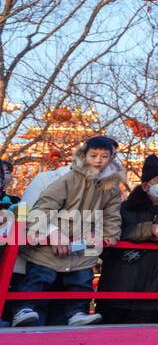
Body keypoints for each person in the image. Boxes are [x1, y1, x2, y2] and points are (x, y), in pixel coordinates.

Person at [11, 136, 123, 328]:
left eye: (104, 156)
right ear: (84, 155)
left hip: (83, 242)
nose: (98, 160)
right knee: (39, 275)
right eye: (93, 155)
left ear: (112, 158)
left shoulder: (111, 188)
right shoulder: (68, 179)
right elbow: (42, 206)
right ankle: (24, 308)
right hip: (54, 239)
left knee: (82, 280)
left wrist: (108, 235)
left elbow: (112, 215)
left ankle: (77, 312)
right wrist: (51, 231)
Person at [98, 155, 158, 325]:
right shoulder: (125, 209)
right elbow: (112, 232)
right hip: (119, 288)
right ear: (145, 186)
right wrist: (147, 230)